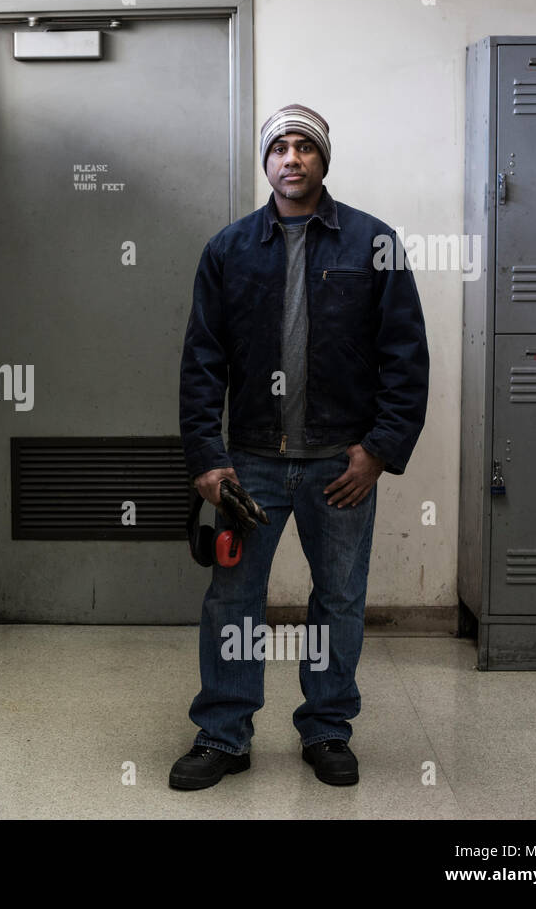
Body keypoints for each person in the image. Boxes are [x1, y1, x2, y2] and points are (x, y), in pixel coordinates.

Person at [172, 103, 430, 789]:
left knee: (339, 598)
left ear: (323, 161)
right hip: (250, 459)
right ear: (267, 162)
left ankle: (327, 729)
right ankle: (224, 733)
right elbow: (202, 361)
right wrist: (208, 456)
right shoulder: (228, 249)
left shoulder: (373, 242)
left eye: (305, 147)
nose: (292, 158)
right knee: (233, 600)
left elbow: (405, 358)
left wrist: (377, 451)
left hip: (338, 462)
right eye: (280, 147)